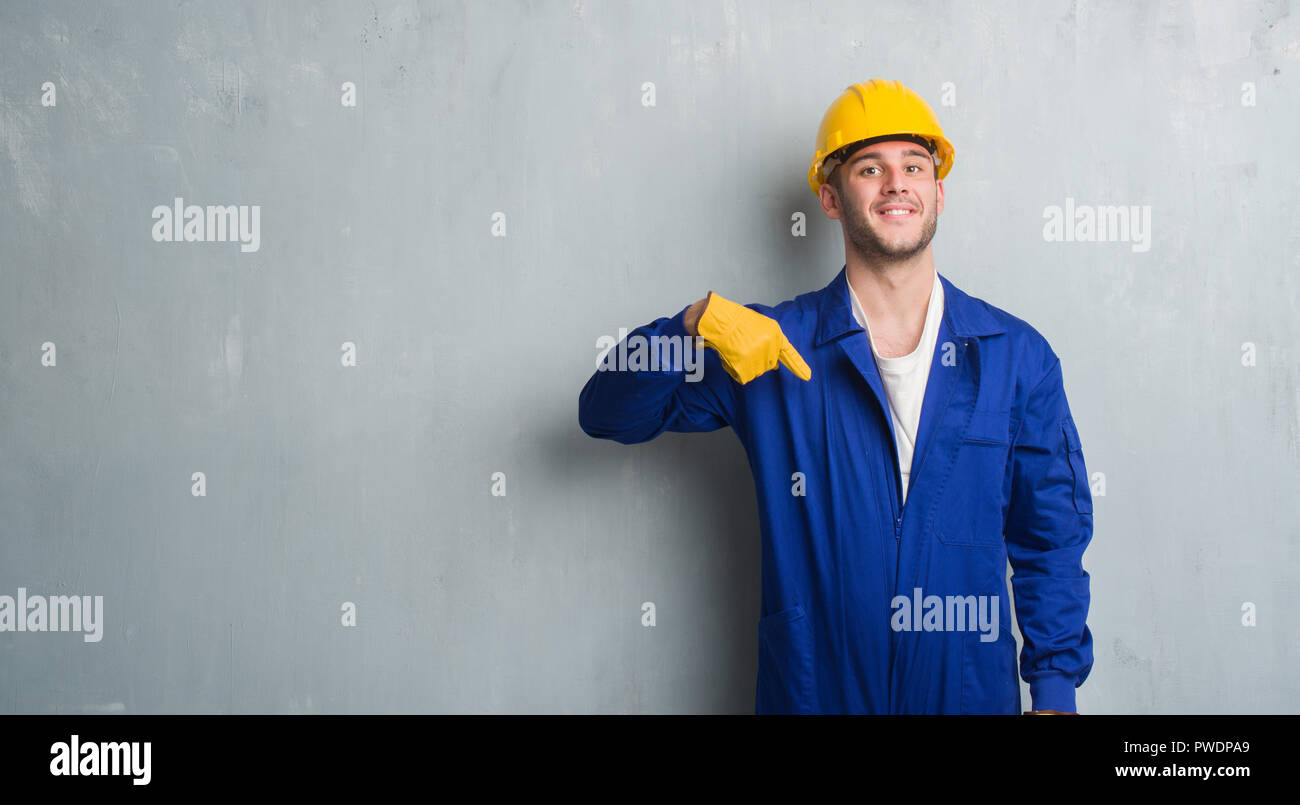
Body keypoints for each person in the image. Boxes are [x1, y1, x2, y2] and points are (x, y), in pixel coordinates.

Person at [578, 79, 1093, 714]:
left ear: (938, 192)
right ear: (829, 196)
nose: (896, 184)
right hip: (816, 694)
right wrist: (690, 324)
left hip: (966, 696)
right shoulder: (767, 348)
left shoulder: (1015, 357)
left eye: (914, 166)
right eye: (869, 168)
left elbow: (1050, 541)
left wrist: (1055, 695)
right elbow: (605, 413)